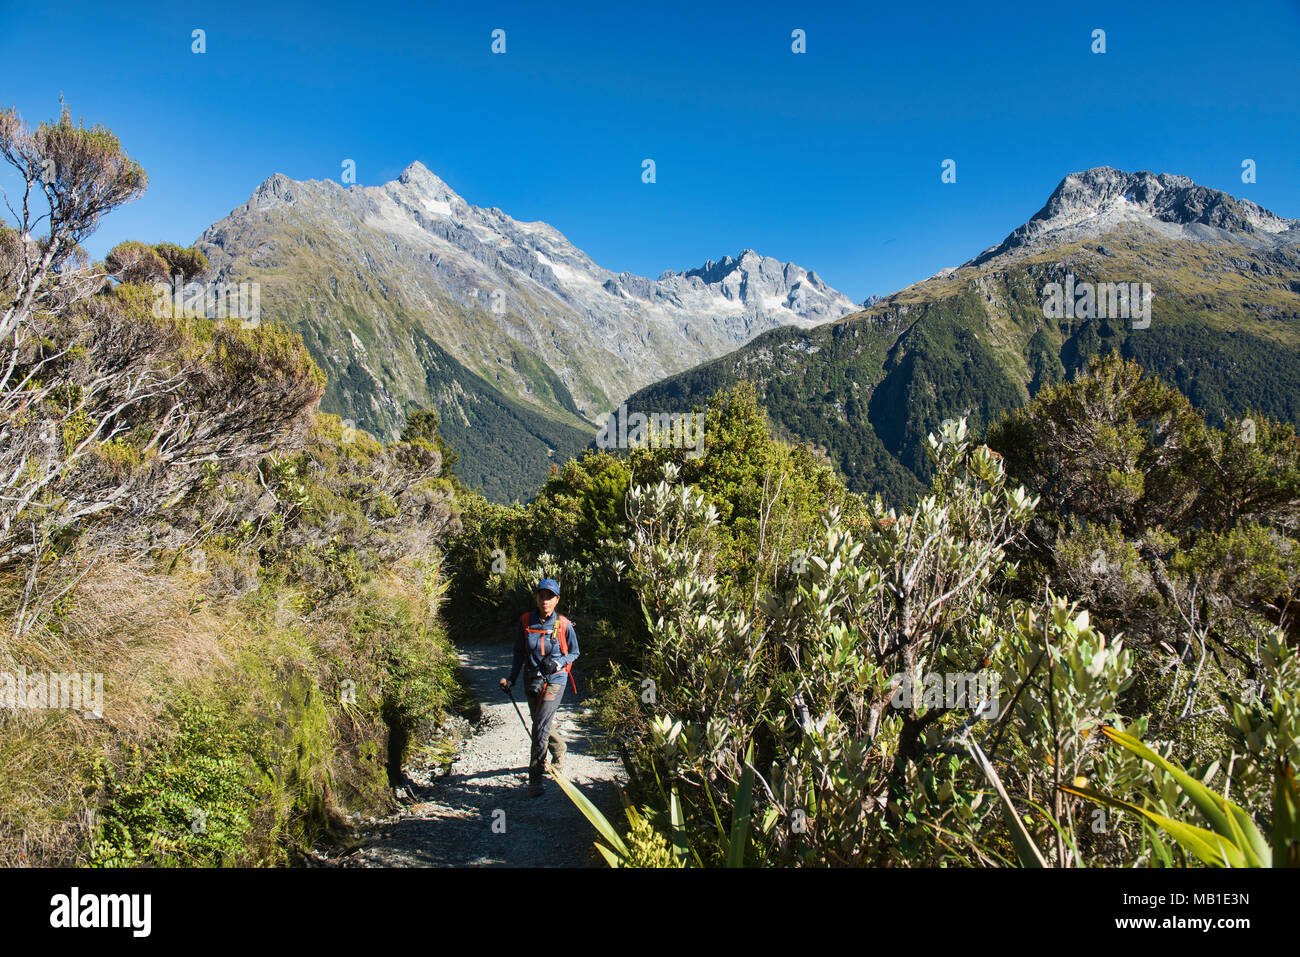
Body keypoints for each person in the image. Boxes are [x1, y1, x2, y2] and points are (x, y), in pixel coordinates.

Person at [500, 578, 579, 796]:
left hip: (556, 678)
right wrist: (512, 678)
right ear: (536, 597)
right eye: (541, 595)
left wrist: (558, 663)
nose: (545, 600)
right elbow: (519, 653)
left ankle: (535, 779)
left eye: (550, 596)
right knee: (538, 721)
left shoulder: (563, 624)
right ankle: (559, 748)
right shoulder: (526, 621)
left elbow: (574, 652)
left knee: (540, 725)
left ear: (557, 600)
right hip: (531, 678)